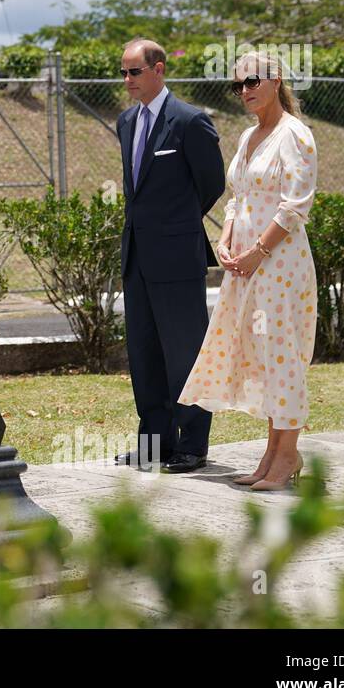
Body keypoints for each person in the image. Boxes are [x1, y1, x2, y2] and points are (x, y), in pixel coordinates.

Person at [178, 52, 317, 490]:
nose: (244, 91)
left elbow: (296, 205)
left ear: (277, 80)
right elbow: (238, 196)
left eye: (252, 81)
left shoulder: (295, 135)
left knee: (283, 357)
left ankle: (286, 454)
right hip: (244, 266)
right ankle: (273, 455)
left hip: (280, 265)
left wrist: (258, 250)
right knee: (262, 356)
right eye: (237, 85)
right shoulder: (248, 135)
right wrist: (226, 237)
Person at [114, 39, 226, 473]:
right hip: (137, 256)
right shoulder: (126, 122)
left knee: (185, 353)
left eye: (134, 72)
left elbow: (211, 183)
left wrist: (176, 225)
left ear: (158, 70)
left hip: (177, 257)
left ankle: (192, 444)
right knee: (144, 352)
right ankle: (154, 442)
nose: (128, 81)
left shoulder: (190, 121)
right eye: (123, 73)